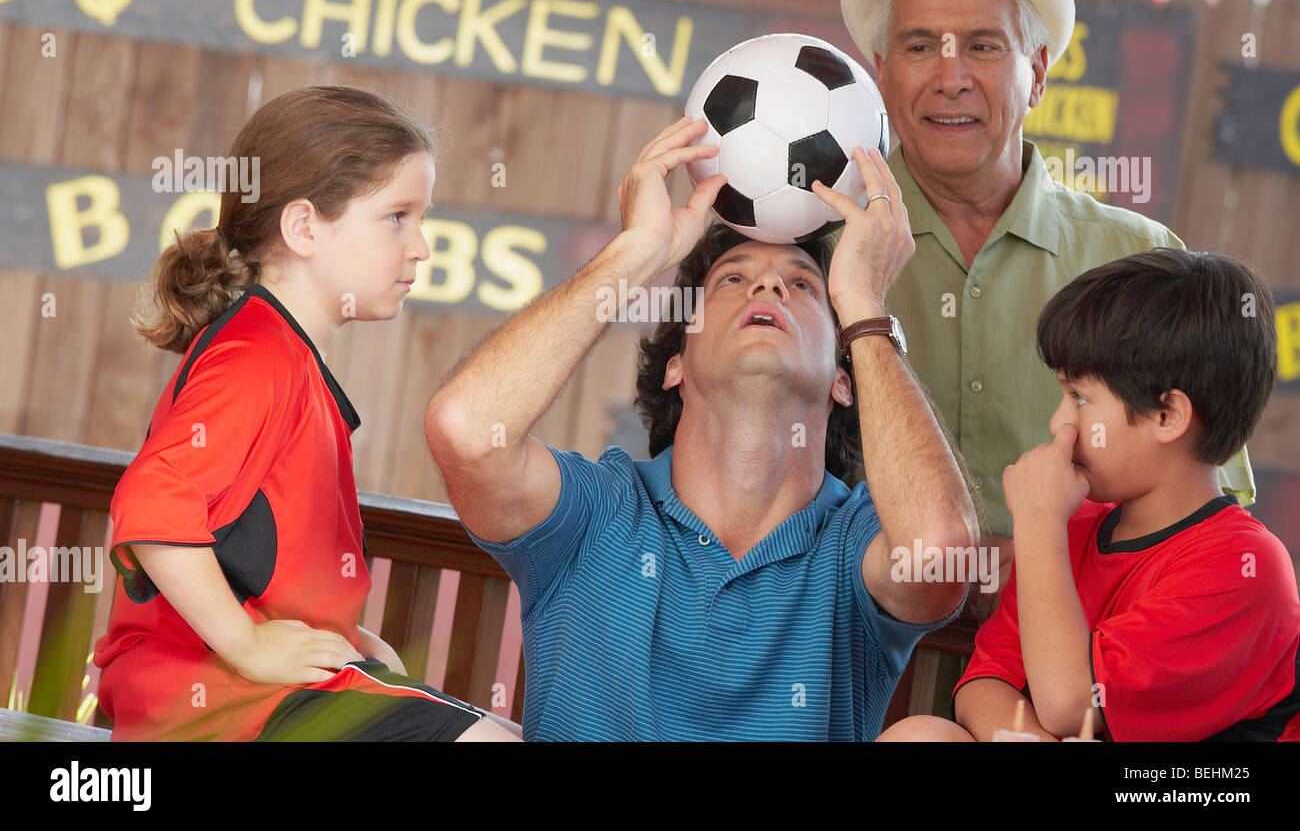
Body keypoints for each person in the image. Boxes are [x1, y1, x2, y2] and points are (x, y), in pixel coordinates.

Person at [424, 116, 980, 740]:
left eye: (804, 285)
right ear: (676, 367)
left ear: (842, 379)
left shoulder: (853, 544)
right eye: (732, 279)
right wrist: (640, 250)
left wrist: (865, 305)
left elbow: (937, 555)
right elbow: (466, 430)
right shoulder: (597, 513)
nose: (769, 284)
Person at [839, 0, 1255, 584]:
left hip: (1078, 675)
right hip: (851, 670)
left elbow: (1209, 523)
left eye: (983, 45)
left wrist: (1045, 564)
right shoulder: (814, 247)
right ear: (882, 73)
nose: (951, 78)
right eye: (919, 47)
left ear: (1036, 74)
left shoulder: (1140, 262)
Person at [93, 85, 518, 742]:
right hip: (219, 708)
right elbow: (150, 509)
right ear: (303, 227)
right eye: (397, 217)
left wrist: (340, 634)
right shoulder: (256, 356)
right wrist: (249, 646)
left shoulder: (280, 351)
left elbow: (250, 550)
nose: (421, 247)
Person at [878, 249, 1300, 741]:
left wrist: (1036, 521)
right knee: (921, 736)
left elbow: (1071, 706)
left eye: (1079, 397)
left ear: (1168, 416)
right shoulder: (1075, 527)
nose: (1060, 422)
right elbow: (987, 679)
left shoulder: (1245, 565)